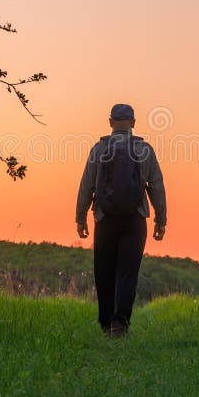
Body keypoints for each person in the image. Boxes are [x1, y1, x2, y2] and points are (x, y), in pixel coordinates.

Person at [75, 103, 168, 337]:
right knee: (128, 273)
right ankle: (120, 324)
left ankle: (106, 323)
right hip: (135, 220)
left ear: (110, 122)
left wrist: (81, 217)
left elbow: (86, 185)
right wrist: (161, 219)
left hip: (104, 219)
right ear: (133, 123)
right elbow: (156, 186)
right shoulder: (145, 150)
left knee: (104, 271)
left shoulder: (99, 149)